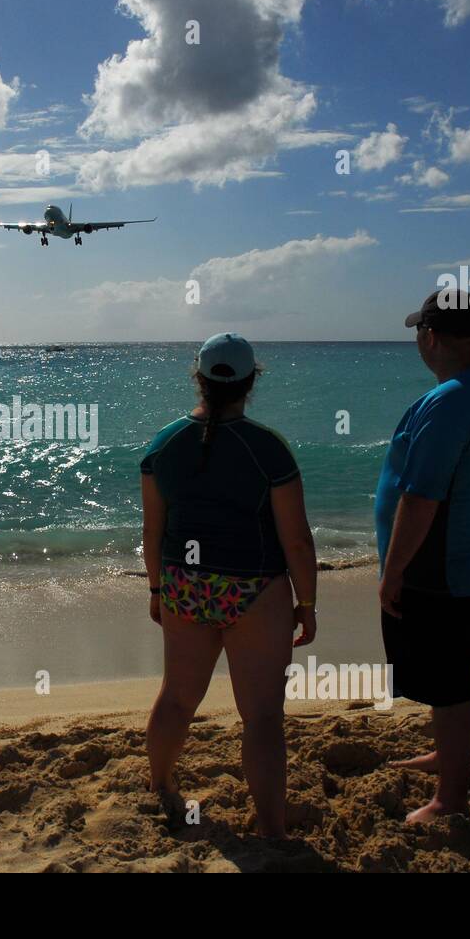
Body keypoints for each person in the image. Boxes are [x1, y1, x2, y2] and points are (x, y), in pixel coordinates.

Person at [140, 333, 317, 838]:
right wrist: (307, 602)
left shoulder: (163, 444)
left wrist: (157, 591)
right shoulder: (267, 448)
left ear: (197, 376)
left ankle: (160, 785)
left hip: (182, 583)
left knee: (177, 697)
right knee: (261, 716)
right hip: (254, 588)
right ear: (251, 380)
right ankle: (271, 828)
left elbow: (153, 530)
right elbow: (298, 541)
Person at [375, 289, 470, 823]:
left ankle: (450, 799)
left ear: (432, 336)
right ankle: (449, 756)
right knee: (452, 666)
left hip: (440, 564)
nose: (417, 342)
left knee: (451, 677)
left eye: (418, 332)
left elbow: (421, 497)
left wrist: (392, 574)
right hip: (469, 556)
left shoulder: (451, 399)